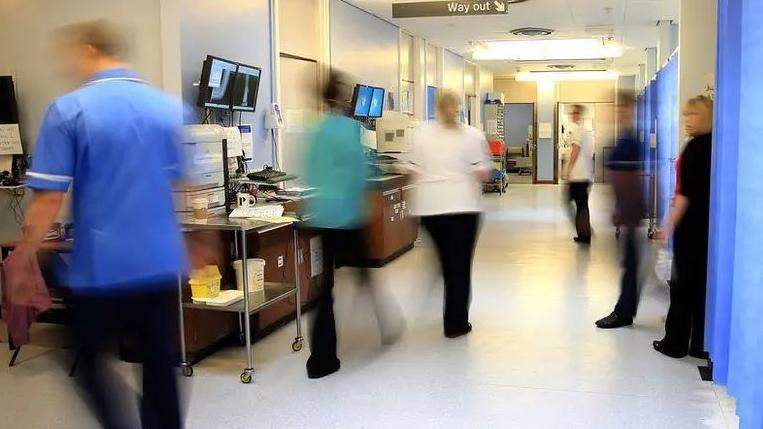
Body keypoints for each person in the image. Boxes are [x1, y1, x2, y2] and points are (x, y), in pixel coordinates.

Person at [4, 21, 186, 428]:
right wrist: (203, 241)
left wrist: (22, 258)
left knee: (87, 361)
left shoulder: (70, 110)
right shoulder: (166, 109)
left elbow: (50, 198)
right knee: (159, 364)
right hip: (158, 261)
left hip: (101, 267)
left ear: (89, 51)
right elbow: (184, 187)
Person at [303, 70, 403, 379]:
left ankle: (321, 360)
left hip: (320, 216)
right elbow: (359, 173)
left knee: (323, 290)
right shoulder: (349, 129)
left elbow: (310, 172)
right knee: (365, 273)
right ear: (345, 98)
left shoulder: (316, 131)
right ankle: (386, 326)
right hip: (348, 216)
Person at [409, 91, 490, 338]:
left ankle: (444, 287)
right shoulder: (472, 135)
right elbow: (484, 173)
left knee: (447, 263)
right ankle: (455, 324)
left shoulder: (421, 132)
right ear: (458, 107)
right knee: (460, 267)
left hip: (431, 211)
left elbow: (411, 168)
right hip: (463, 208)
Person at [653, 96, 714, 359]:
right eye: (685, 115)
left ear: (708, 116)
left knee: (681, 287)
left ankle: (674, 343)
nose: (688, 120)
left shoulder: (694, 149)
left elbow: (685, 196)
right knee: (701, 287)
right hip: (708, 226)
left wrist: (667, 227)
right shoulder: (715, 145)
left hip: (691, 228)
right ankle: (701, 343)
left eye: (694, 115)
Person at [596, 92, 646, 329]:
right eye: (618, 108)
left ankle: (624, 312)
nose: (619, 112)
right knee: (630, 260)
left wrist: (626, 211)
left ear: (631, 109)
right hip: (625, 209)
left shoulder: (630, 141)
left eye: (624, 108)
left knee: (631, 261)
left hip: (630, 209)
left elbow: (630, 180)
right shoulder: (623, 138)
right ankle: (625, 309)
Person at [565, 104, 595, 245]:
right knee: (581, 205)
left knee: (573, 204)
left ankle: (585, 232)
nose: (573, 114)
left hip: (578, 176)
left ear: (580, 115)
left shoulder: (577, 130)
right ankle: (585, 232)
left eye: (575, 112)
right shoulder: (586, 132)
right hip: (586, 176)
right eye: (572, 112)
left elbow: (575, 150)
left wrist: (569, 168)